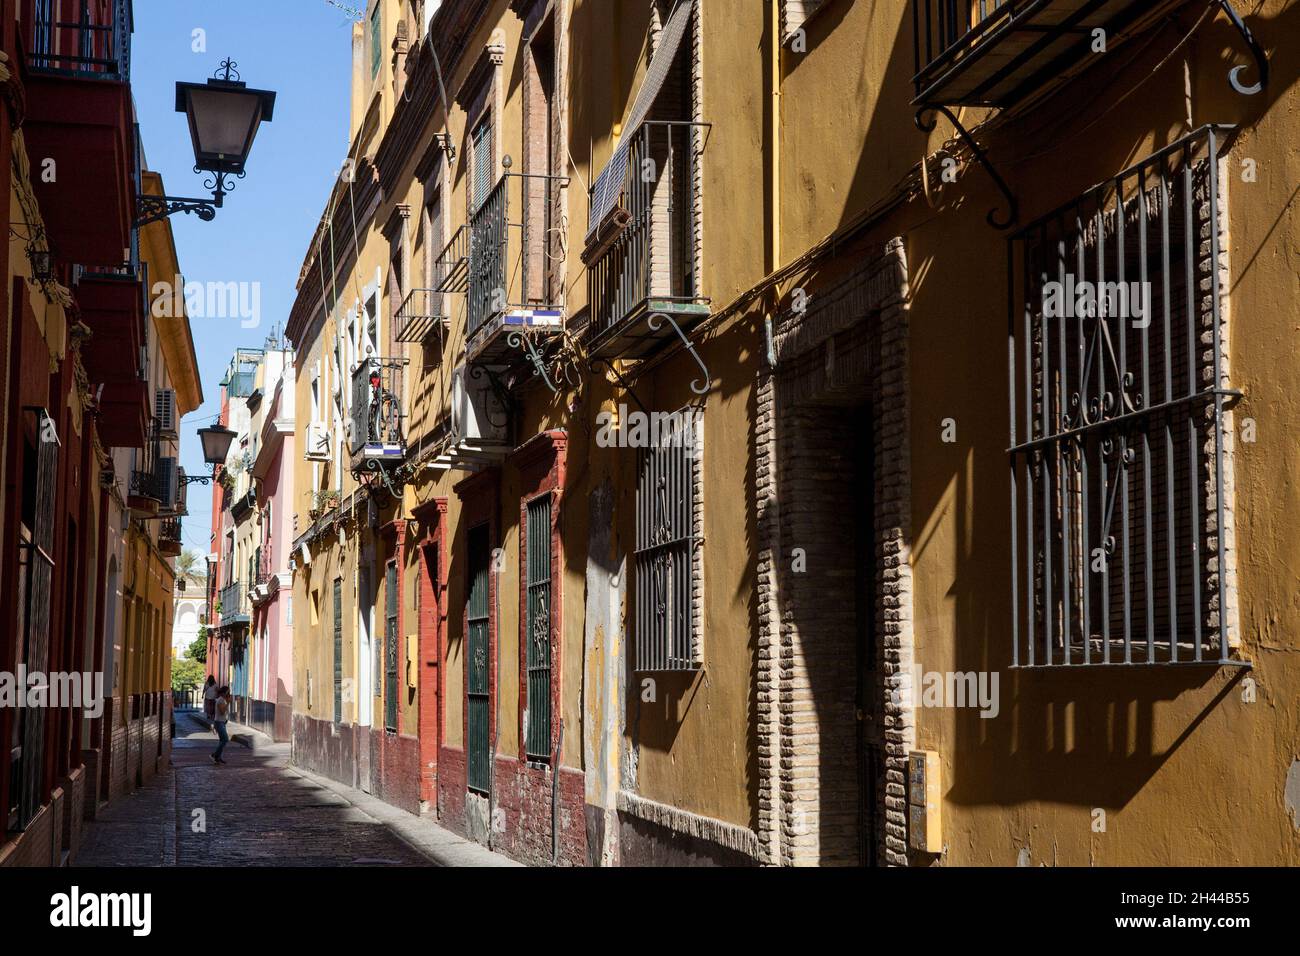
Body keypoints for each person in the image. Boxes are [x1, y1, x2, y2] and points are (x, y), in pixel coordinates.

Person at [211, 686, 231, 765]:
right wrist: (228, 702)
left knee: (222, 740)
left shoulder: (223, 700)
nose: (229, 694)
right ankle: (215, 755)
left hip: (222, 722)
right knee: (225, 739)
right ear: (224, 692)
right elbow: (222, 711)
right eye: (228, 692)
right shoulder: (220, 700)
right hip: (219, 722)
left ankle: (218, 757)